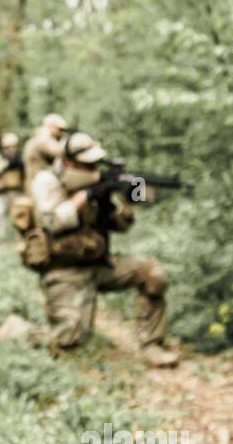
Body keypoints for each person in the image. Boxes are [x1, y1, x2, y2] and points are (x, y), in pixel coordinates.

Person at [28, 132, 179, 368]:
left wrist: (128, 201)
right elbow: (53, 222)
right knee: (69, 340)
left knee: (152, 273)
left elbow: (120, 226)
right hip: (64, 271)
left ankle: (152, 345)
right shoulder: (46, 181)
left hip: (100, 265)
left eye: (95, 163)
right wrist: (86, 195)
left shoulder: (96, 185)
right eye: (86, 163)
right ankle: (16, 331)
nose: (93, 168)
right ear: (68, 162)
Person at [0, 132, 24, 239]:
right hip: (1, 193)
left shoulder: (22, 159)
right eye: (8, 147)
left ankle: (21, 239)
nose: (11, 150)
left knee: (21, 214)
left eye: (13, 147)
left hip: (17, 192)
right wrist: (0, 184)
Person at [21, 112, 69, 195]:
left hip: (38, 182)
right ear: (51, 126)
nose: (61, 132)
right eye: (60, 129)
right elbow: (58, 151)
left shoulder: (39, 137)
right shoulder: (42, 138)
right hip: (39, 183)